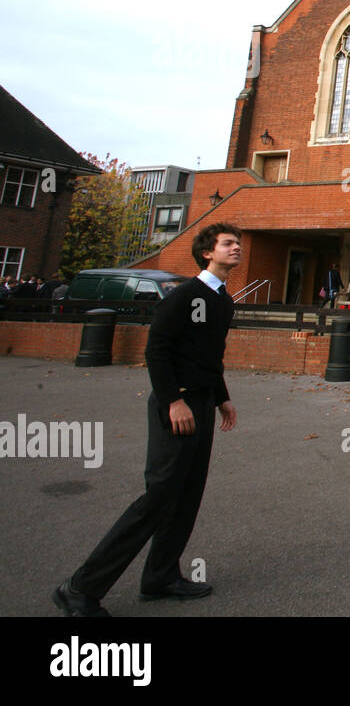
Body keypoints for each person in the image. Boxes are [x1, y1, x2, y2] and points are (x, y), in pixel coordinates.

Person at [54, 223, 241, 616]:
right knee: (158, 496)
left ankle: (160, 577)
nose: (236, 248)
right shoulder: (184, 295)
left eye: (237, 243)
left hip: (203, 405)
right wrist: (174, 401)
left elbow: (208, 354)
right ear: (208, 253)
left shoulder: (223, 301)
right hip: (177, 407)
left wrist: (221, 398)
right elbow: (157, 349)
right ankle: (80, 587)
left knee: (187, 495)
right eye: (228, 243)